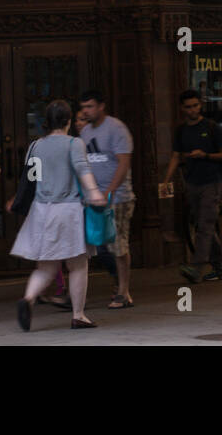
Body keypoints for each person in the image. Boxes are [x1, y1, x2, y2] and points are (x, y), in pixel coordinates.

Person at [12, 98, 107, 332]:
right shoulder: (74, 144)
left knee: (45, 268)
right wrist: (95, 193)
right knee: (77, 265)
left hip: (42, 211)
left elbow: (31, 180)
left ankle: (29, 298)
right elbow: (83, 170)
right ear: (68, 121)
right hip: (68, 211)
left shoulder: (36, 146)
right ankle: (78, 315)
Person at [161, 89, 222, 285]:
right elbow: (175, 155)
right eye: (188, 107)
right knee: (202, 224)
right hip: (192, 183)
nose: (192, 110)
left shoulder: (211, 127)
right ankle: (219, 267)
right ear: (182, 108)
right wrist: (167, 180)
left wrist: (205, 155)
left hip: (212, 181)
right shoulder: (181, 130)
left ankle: (196, 266)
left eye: (195, 106)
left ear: (200, 105)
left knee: (206, 224)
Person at [78, 89, 136, 309]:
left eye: (90, 106)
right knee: (99, 245)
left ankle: (124, 292)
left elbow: (123, 163)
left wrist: (109, 192)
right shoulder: (85, 133)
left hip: (118, 197)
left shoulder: (116, 129)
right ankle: (114, 285)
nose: (86, 111)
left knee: (118, 244)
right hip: (93, 199)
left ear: (101, 106)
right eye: (83, 107)